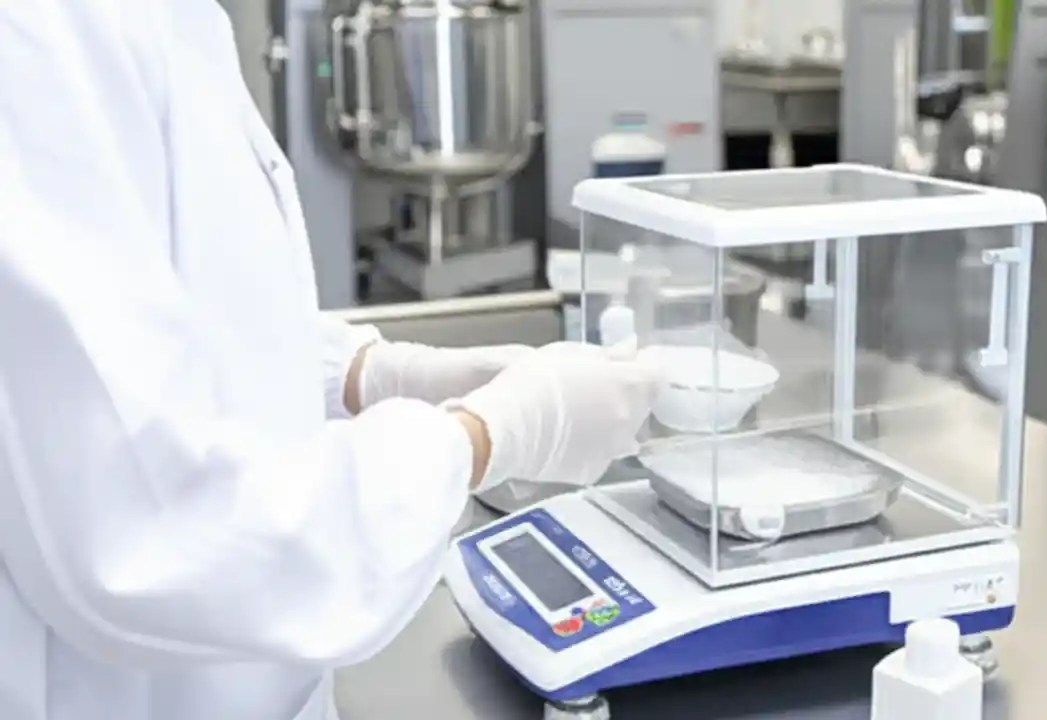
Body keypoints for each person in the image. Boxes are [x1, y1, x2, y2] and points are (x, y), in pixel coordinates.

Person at [0, 2, 655, 719]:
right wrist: (484, 436)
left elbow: (187, 311)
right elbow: (158, 537)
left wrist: (366, 376)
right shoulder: (47, 30)